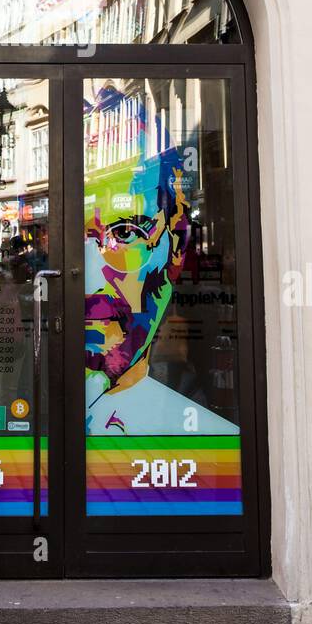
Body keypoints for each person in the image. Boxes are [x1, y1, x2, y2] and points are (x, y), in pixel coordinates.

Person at [84, 127, 238, 437]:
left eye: (126, 233)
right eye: (82, 240)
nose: (92, 275)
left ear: (177, 247)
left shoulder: (213, 439)